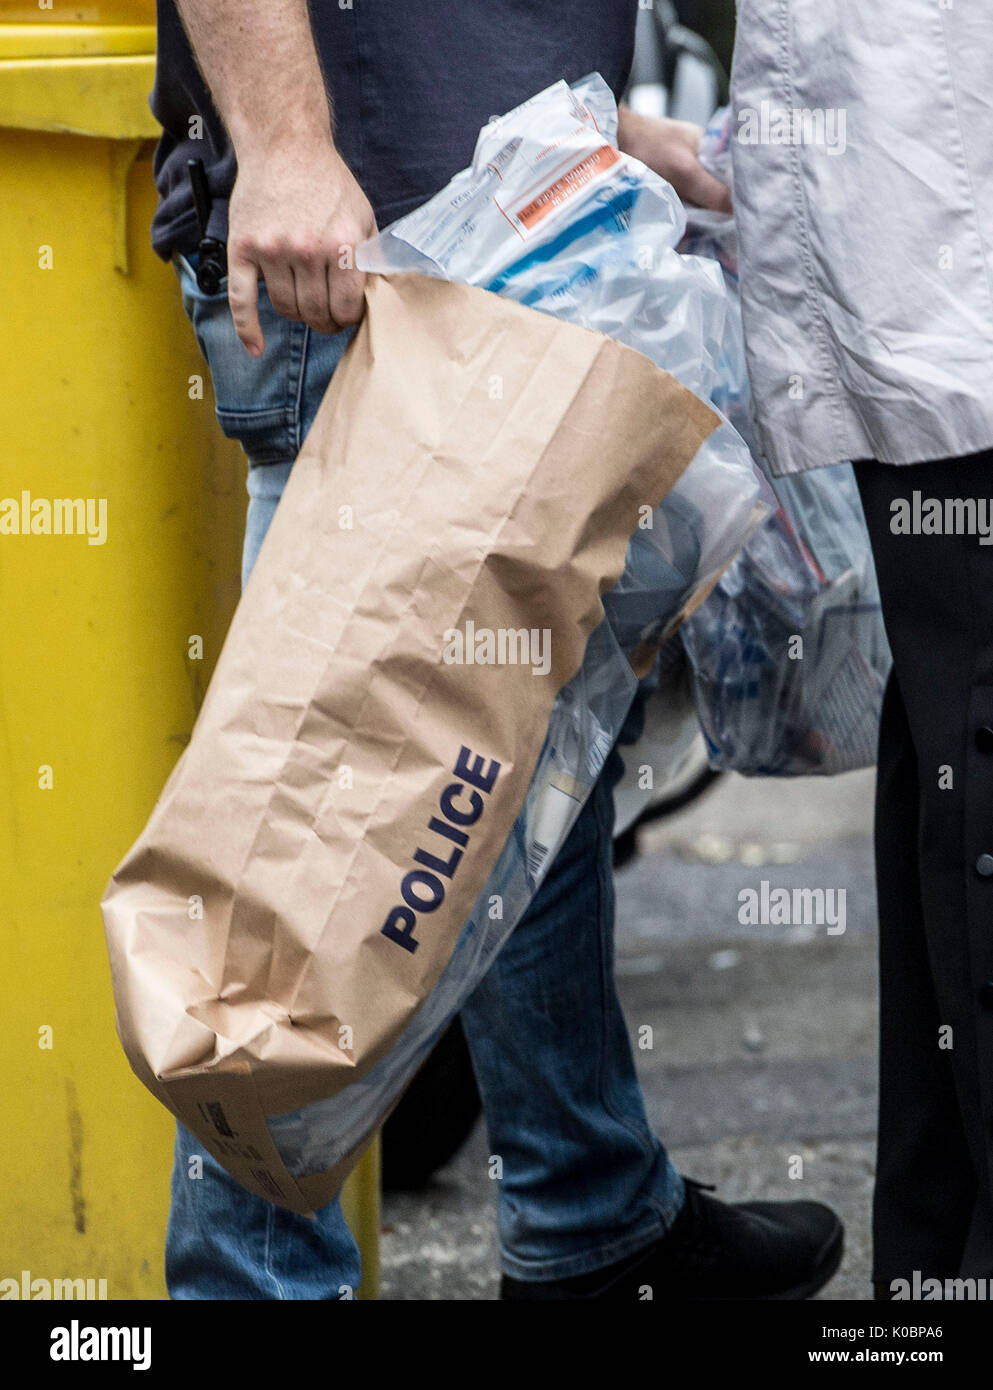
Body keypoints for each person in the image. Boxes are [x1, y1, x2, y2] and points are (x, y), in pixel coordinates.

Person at [152, 0, 842, 1300]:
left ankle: (592, 1213)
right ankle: (250, 1288)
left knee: (514, 731)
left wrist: (602, 124)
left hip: (512, 216)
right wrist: (286, 140)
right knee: (334, 816)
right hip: (371, 253)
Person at [730, 3, 993, 1295]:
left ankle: (940, 1263)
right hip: (938, 198)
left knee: (954, 725)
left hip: (924, 186)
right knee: (969, 718)